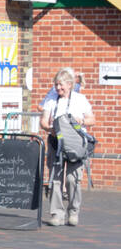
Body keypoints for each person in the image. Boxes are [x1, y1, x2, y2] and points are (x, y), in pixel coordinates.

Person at [40, 67, 96, 226]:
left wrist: (82, 121)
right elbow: (43, 121)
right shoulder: (51, 100)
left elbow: (93, 120)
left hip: (75, 145)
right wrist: (51, 129)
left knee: (72, 180)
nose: (58, 88)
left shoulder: (80, 99)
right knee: (55, 180)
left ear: (70, 84)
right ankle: (57, 214)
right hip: (56, 144)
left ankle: (73, 212)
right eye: (56, 85)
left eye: (61, 85)